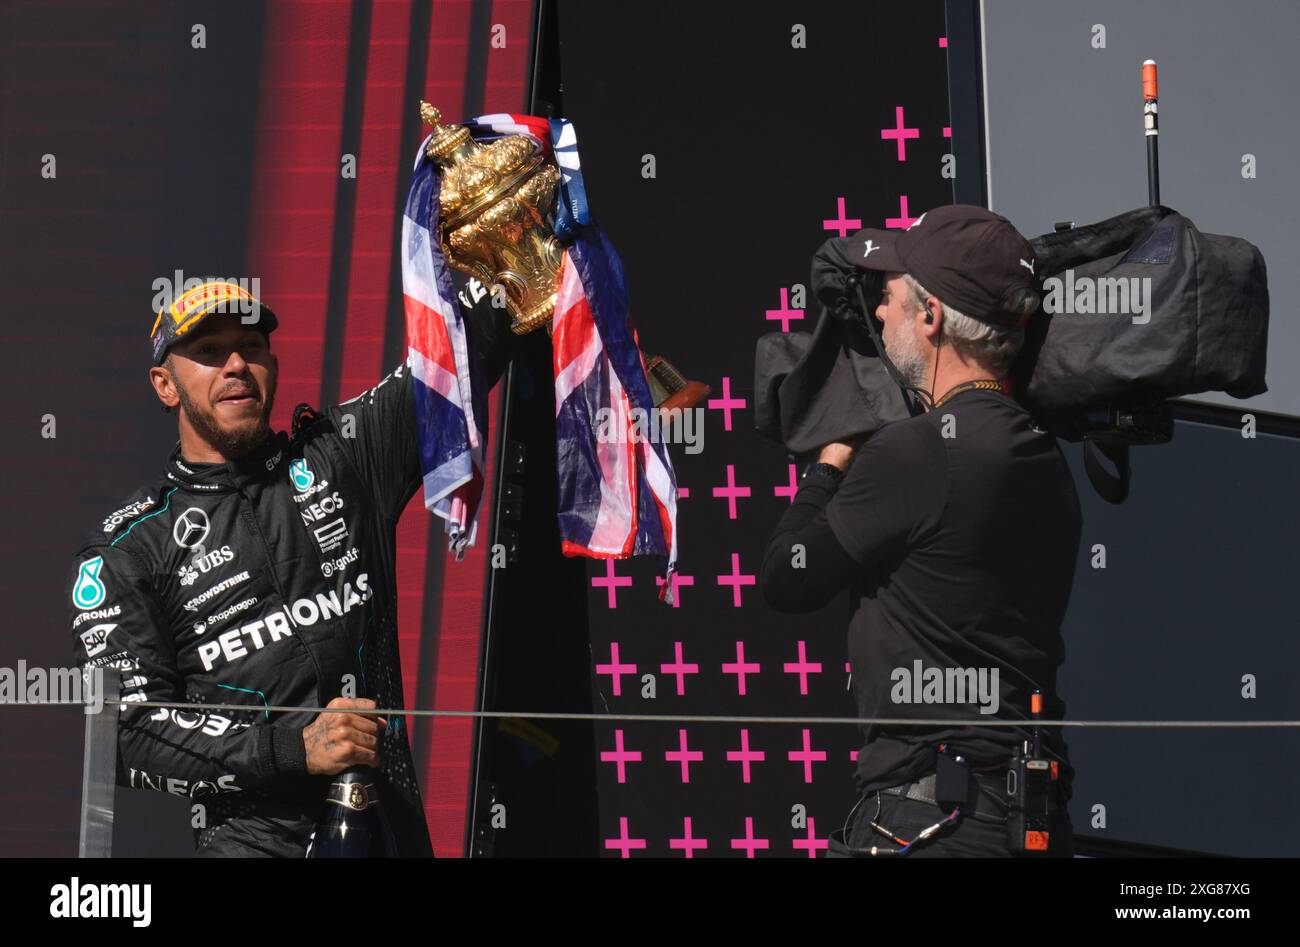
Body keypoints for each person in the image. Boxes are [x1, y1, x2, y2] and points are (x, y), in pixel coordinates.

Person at [68, 276, 517, 856]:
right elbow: (123, 736)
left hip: (388, 834)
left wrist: (622, 380)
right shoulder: (126, 550)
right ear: (165, 385)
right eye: (208, 352)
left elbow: (464, 346)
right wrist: (293, 749)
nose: (235, 364)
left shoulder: (345, 455)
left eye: (251, 346)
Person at [760, 205, 1082, 857]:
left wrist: (830, 462)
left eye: (893, 298)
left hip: (934, 825)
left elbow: (787, 577)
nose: (880, 314)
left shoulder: (918, 454)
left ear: (931, 317)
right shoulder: (1046, 455)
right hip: (1028, 823)